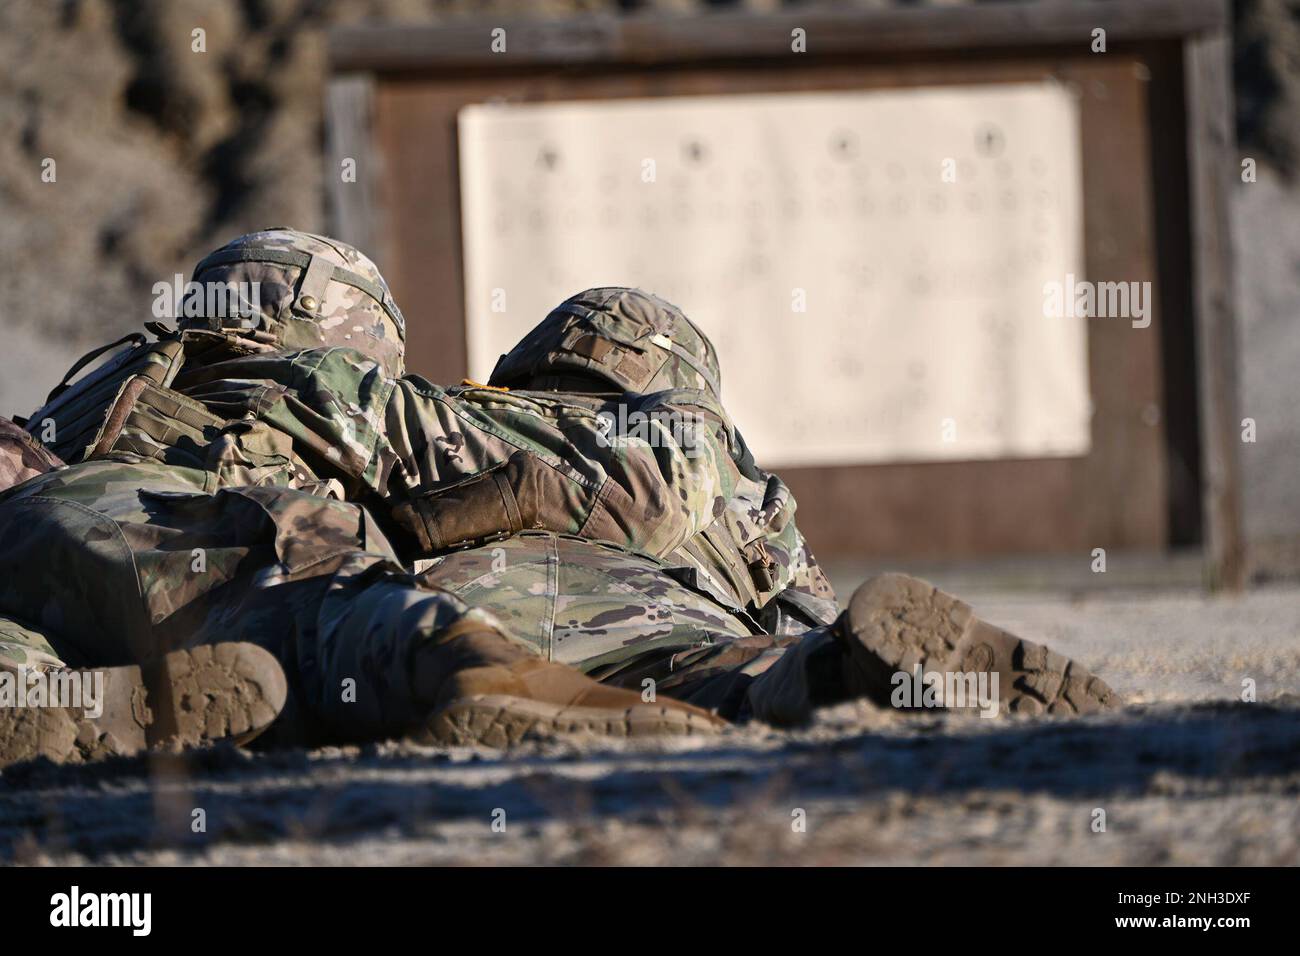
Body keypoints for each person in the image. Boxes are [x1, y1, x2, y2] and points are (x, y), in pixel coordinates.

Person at [0, 231, 1119, 767]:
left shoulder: (81, 392)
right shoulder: (320, 386)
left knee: (274, 606)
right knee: (325, 586)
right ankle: (808, 679)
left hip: (66, 542)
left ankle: (57, 701)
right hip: (297, 558)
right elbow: (635, 479)